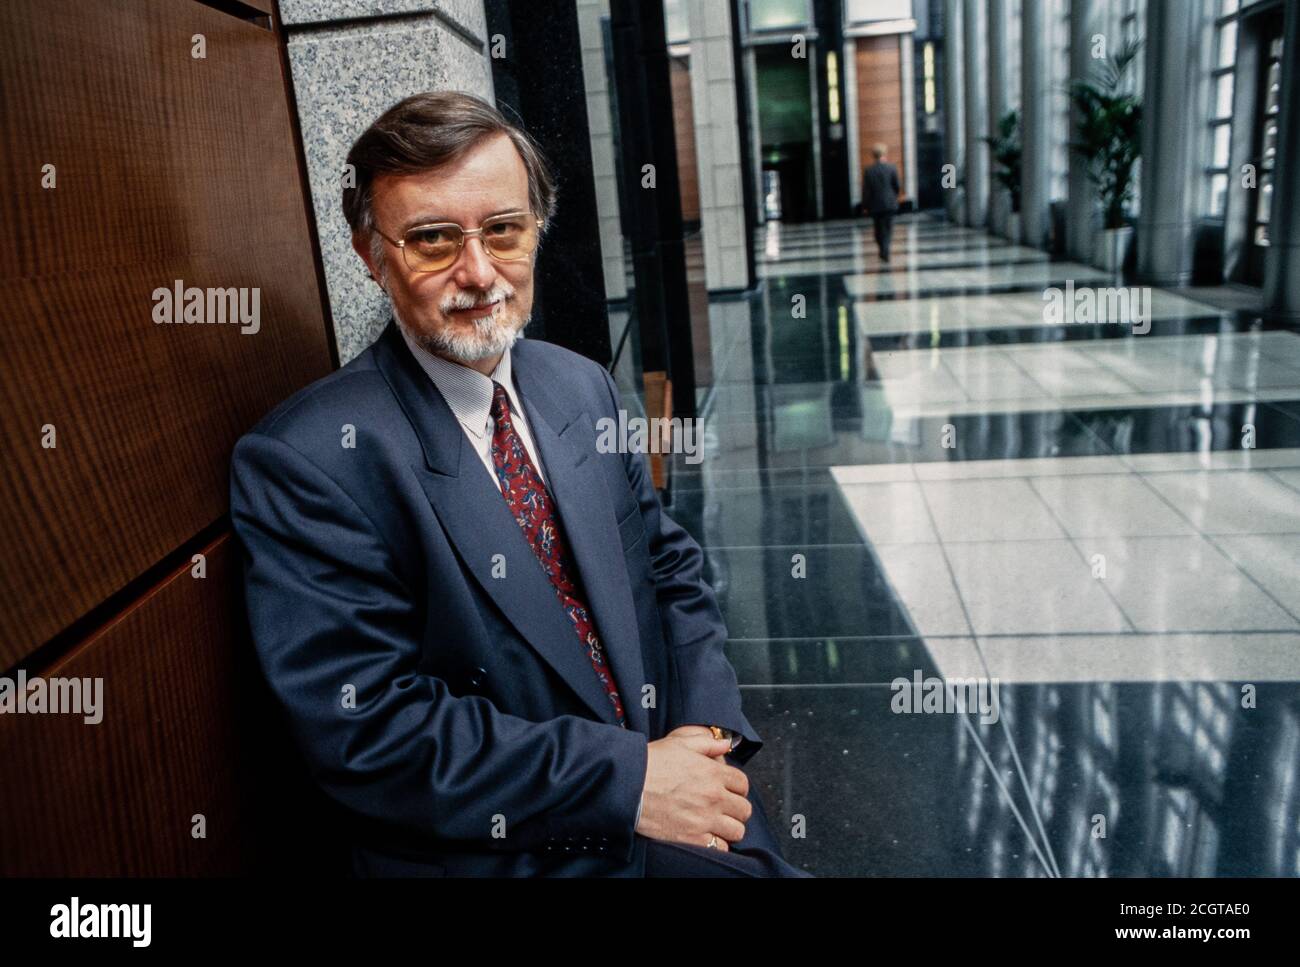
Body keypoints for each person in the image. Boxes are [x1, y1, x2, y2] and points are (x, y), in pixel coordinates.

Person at [228, 91, 810, 878]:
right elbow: (371, 734)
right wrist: (631, 779)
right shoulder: (309, 460)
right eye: (433, 240)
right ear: (373, 256)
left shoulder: (580, 387)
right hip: (518, 846)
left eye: (503, 229)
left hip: (685, 784)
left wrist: (707, 742)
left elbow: (670, 573)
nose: (479, 272)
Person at [861, 143, 902, 262]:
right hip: (889, 204)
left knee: (878, 229)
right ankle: (885, 250)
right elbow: (897, 186)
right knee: (888, 229)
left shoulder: (869, 170)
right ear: (885, 153)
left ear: (873, 155)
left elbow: (866, 190)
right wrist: (895, 196)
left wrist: (865, 205)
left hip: (875, 205)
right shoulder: (892, 168)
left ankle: (882, 249)